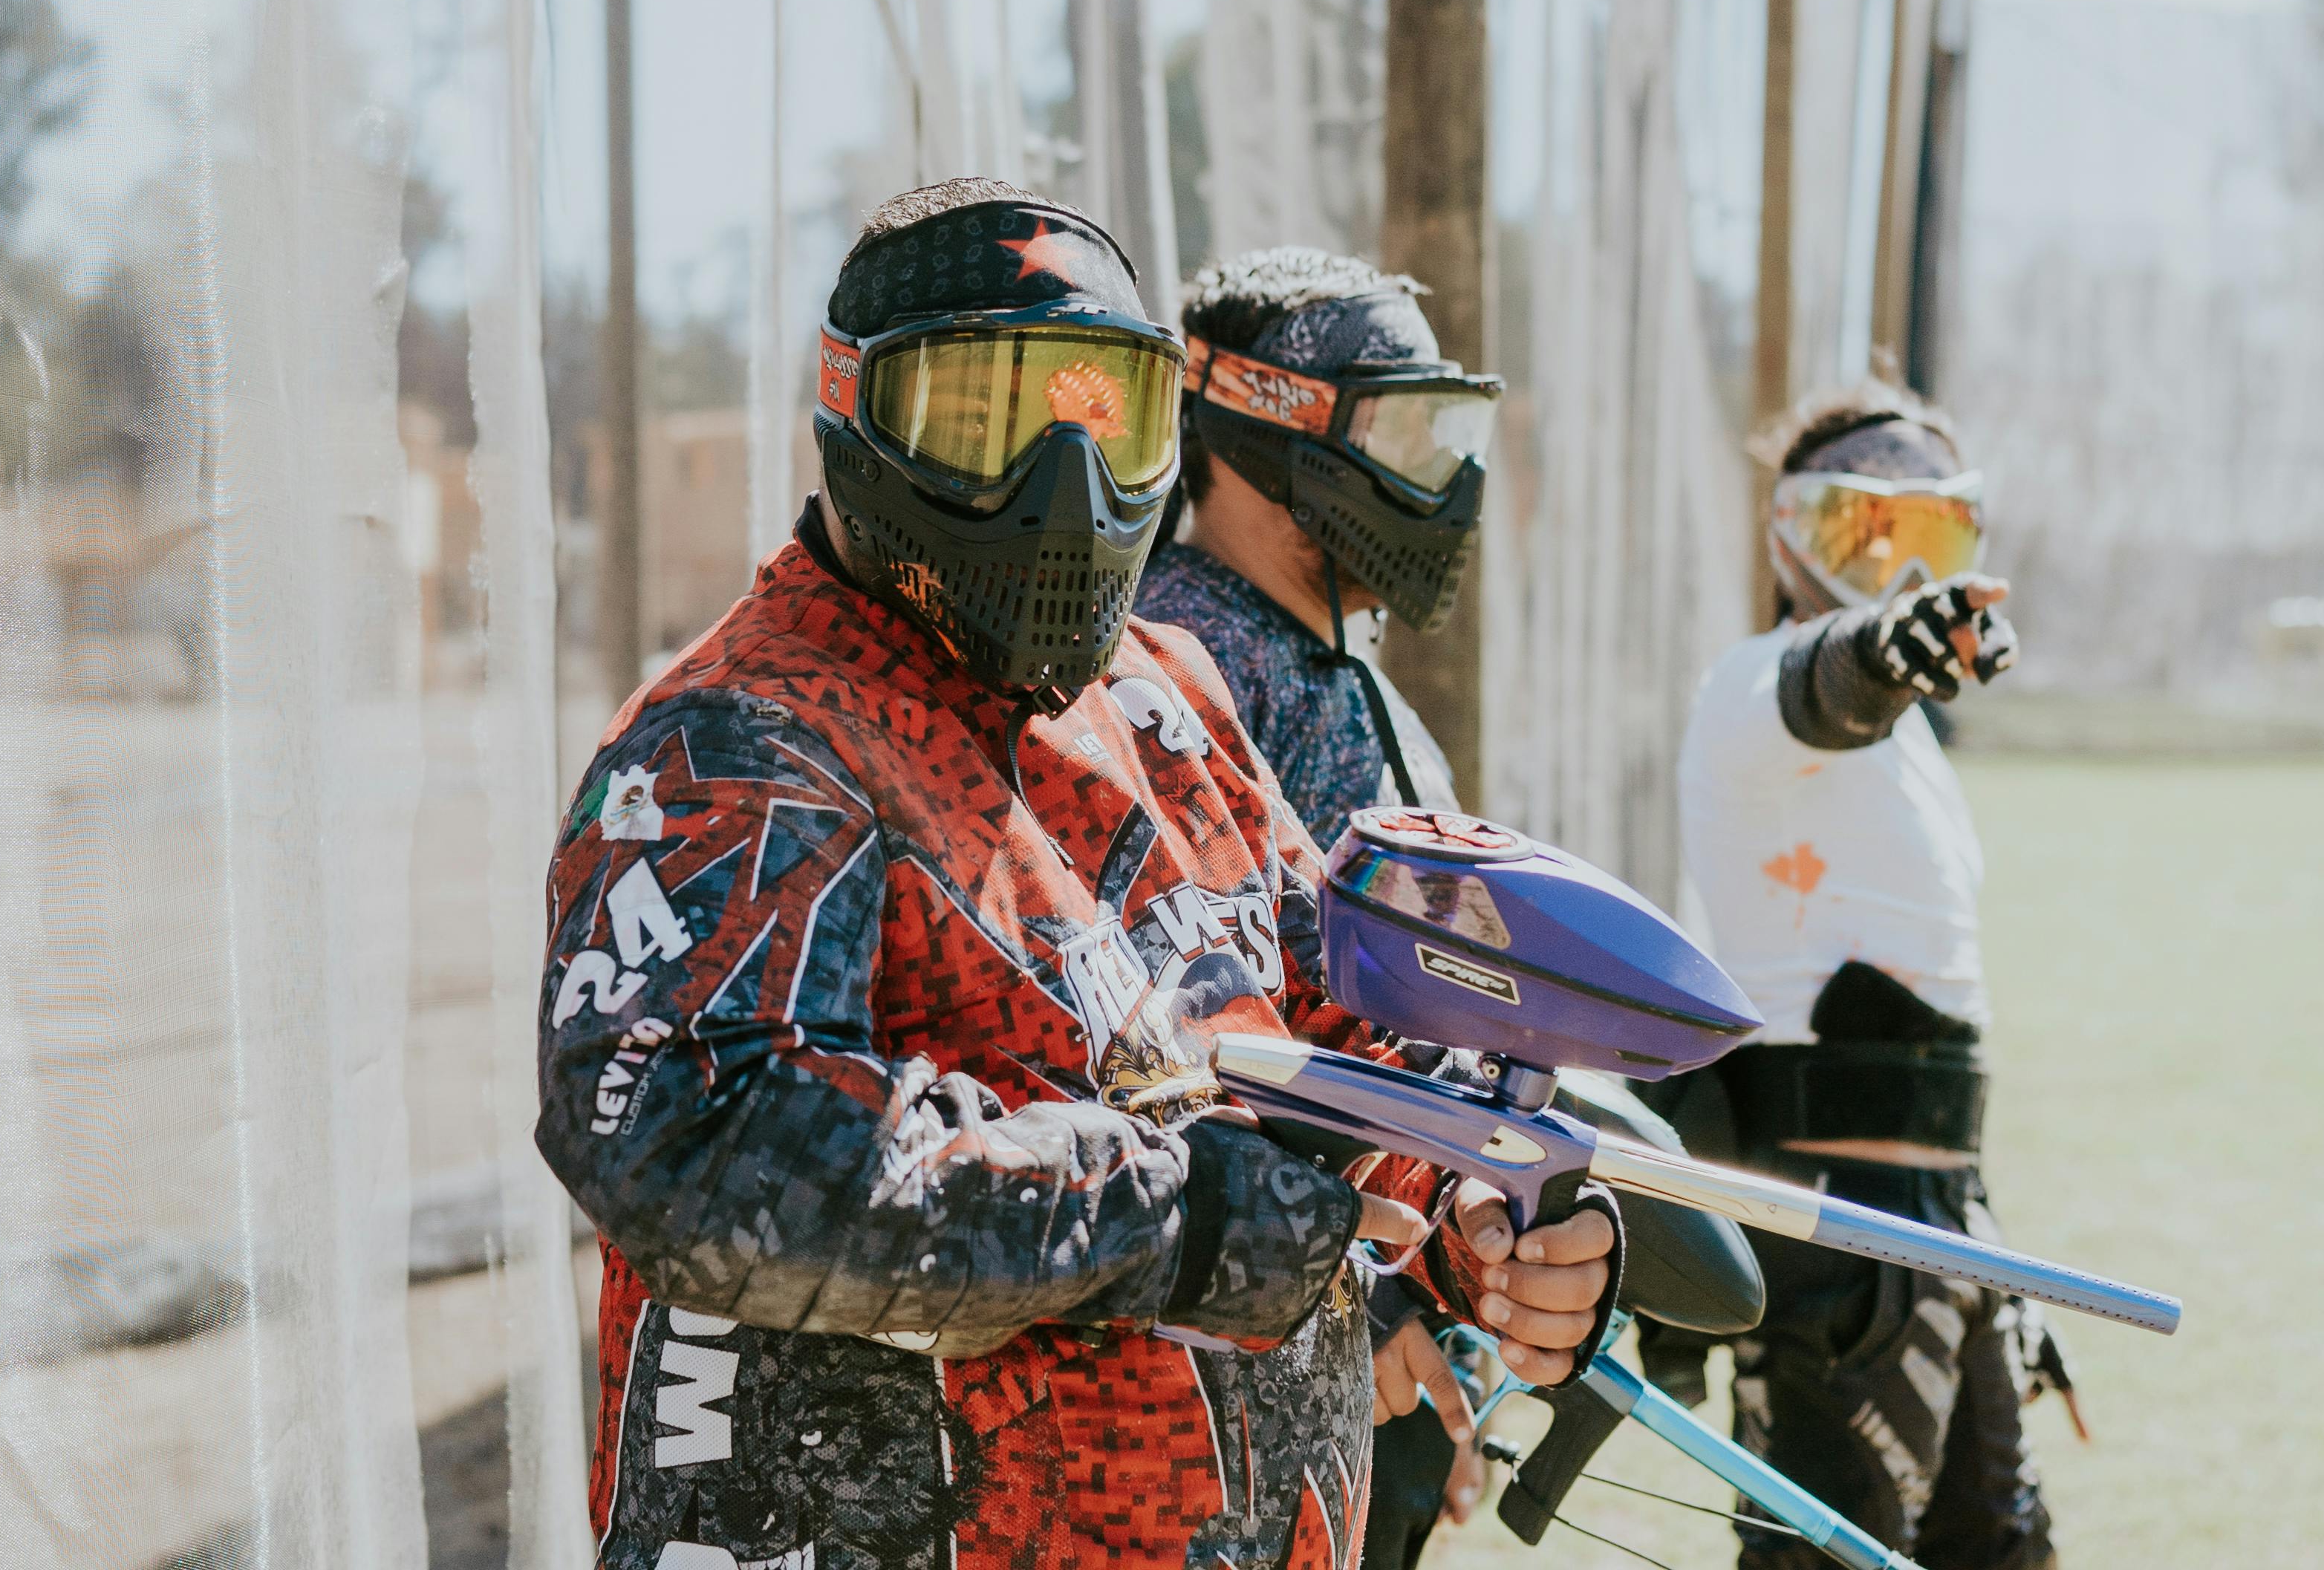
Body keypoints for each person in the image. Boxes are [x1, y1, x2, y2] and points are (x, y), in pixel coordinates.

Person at [537, 180, 1620, 1570]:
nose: (1063, 492)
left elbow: (1335, 1026)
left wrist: (1478, 1217)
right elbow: (688, 1139)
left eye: (1107, 422)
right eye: (983, 422)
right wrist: (1166, 1213)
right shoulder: (744, 737)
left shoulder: (1164, 695)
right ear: (852, 416)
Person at [1132, 249, 1500, 1564]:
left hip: (1382, 1297)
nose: (1442, 481)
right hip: (1273, 1319)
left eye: (1448, 433)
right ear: (1261, 433)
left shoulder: (1335, 663)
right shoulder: (1188, 662)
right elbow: (1171, 1030)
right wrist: (1365, 1278)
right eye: (1400, 432)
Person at [1668, 379, 2063, 1570]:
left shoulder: (1911, 751)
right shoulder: (1754, 686)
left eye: (1927, 539)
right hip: (1841, 1246)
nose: (1894, 574)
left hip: (1937, 1224)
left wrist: (1977, 1226)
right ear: (1791, 533)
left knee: (1997, 1549)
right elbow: (1828, 682)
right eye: (1860, 533)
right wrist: (1884, 649)